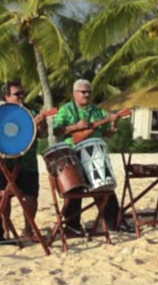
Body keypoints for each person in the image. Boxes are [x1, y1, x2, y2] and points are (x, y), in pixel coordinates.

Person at [52, 79, 128, 232]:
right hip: (73, 155)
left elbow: (108, 133)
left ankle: (113, 223)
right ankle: (72, 226)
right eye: (83, 92)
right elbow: (57, 130)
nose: (87, 95)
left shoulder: (98, 111)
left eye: (89, 92)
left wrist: (114, 124)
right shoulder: (66, 110)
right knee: (75, 189)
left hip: (96, 153)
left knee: (105, 186)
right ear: (75, 94)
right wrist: (75, 127)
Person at [0, 81, 49, 239]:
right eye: (17, 94)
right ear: (6, 96)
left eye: (23, 94)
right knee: (5, 197)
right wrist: (29, 125)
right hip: (7, 161)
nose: (21, 97)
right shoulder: (0, 113)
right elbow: (6, 133)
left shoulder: (32, 110)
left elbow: (44, 134)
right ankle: (6, 230)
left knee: (31, 196)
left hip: (28, 161)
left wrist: (41, 124)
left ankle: (28, 230)